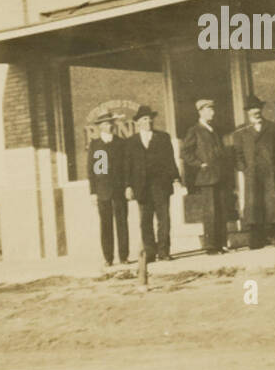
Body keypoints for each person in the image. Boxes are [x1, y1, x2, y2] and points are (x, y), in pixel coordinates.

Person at [125, 105, 180, 263]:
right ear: (137, 122)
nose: (148, 121)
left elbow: (170, 160)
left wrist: (175, 178)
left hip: (161, 184)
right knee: (145, 221)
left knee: (164, 219)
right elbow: (127, 166)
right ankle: (150, 252)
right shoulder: (131, 142)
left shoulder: (163, 137)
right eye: (144, 119)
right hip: (142, 186)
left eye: (149, 118)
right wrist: (128, 186)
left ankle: (164, 252)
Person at [232, 96, 275, 249]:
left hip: (270, 172)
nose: (255, 111)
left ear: (261, 109)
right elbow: (237, 153)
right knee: (254, 205)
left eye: (257, 108)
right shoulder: (241, 131)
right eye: (252, 109)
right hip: (252, 173)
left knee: (273, 204)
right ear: (248, 112)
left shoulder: (273, 127)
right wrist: (244, 168)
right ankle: (256, 240)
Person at [180, 97, 228, 255]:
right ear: (201, 111)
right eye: (209, 109)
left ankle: (221, 244)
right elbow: (185, 152)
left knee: (220, 210)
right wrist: (200, 164)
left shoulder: (214, 129)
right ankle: (211, 246)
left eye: (213, 109)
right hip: (206, 177)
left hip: (219, 175)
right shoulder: (194, 130)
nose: (212, 112)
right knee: (210, 212)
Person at [87, 112, 130, 267]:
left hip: (119, 189)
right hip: (102, 190)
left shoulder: (121, 143)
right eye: (105, 124)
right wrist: (93, 192)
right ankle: (108, 258)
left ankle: (124, 256)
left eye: (110, 123)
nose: (108, 126)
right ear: (99, 127)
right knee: (105, 224)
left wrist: (127, 186)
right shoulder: (95, 145)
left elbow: (126, 168)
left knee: (122, 222)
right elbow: (92, 170)